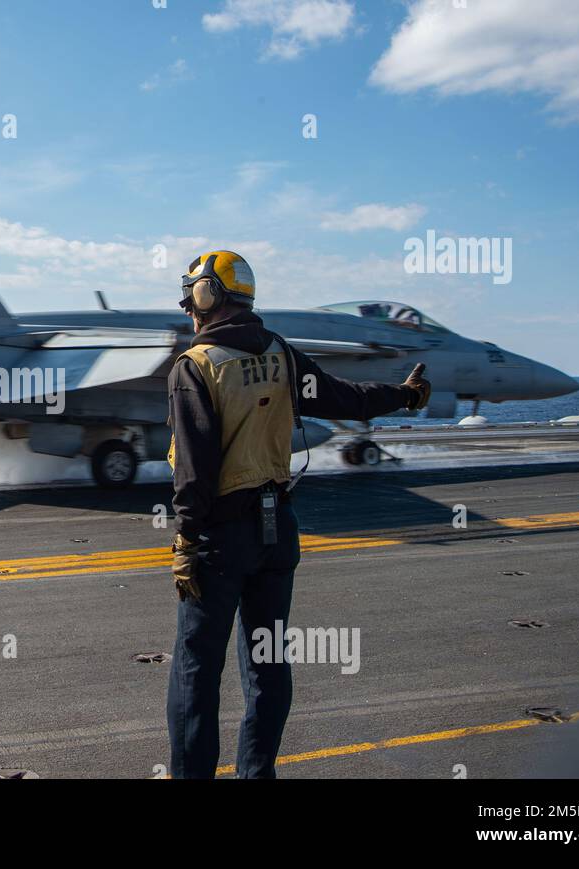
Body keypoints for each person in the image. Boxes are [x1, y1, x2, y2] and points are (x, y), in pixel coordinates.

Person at [166, 250, 430, 779]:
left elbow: (193, 470)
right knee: (267, 662)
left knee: (197, 671)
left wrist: (187, 542)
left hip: (219, 538)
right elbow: (342, 397)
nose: (187, 309)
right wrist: (402, 396)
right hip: (276, 530)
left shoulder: (195, 367)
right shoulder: (281, 355)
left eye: (189, 296)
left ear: (206, 296)